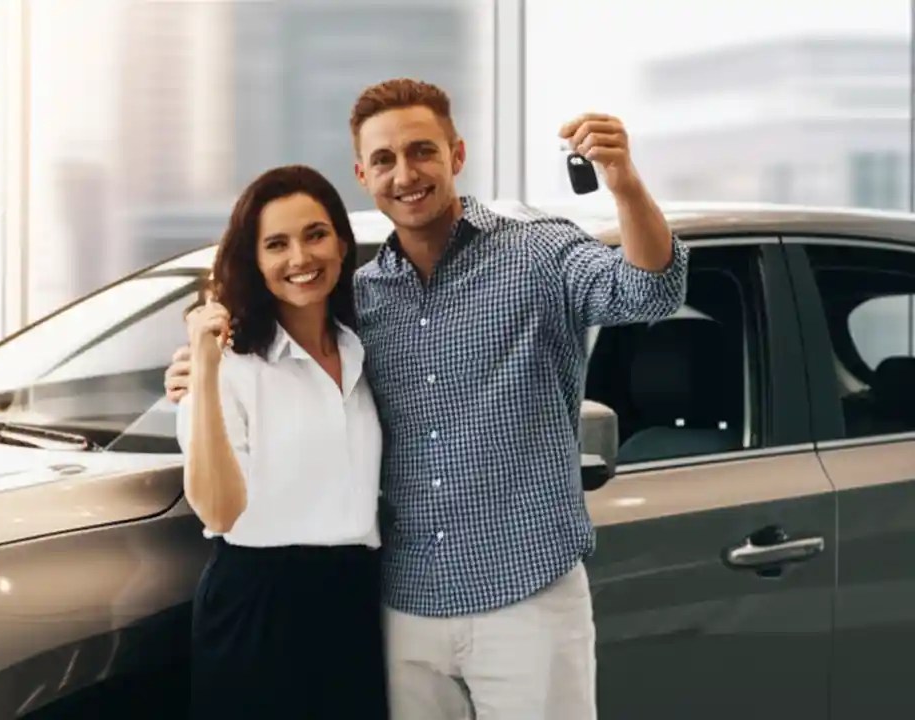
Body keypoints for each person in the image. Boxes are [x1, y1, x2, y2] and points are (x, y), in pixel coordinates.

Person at [166, 78, 688, 719]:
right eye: (383, 160)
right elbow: (280, 361)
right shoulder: (362, 300)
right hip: (401, 607)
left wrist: (623, 180)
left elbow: (649, 292)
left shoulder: (538, 252)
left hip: (524, 594)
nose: (404, 174)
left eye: (422, 151)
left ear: (456, 155)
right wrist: (203, 370)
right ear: (363, 174)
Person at [176, 164, 388, 719]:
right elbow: (219, 512)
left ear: (341, 242)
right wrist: (201, 365)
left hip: (357, 599)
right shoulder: (232, 368)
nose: (300, 258)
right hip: (260, 607)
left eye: (315, 234)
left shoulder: (365, 349)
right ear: (256, 261)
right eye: (277, 244)